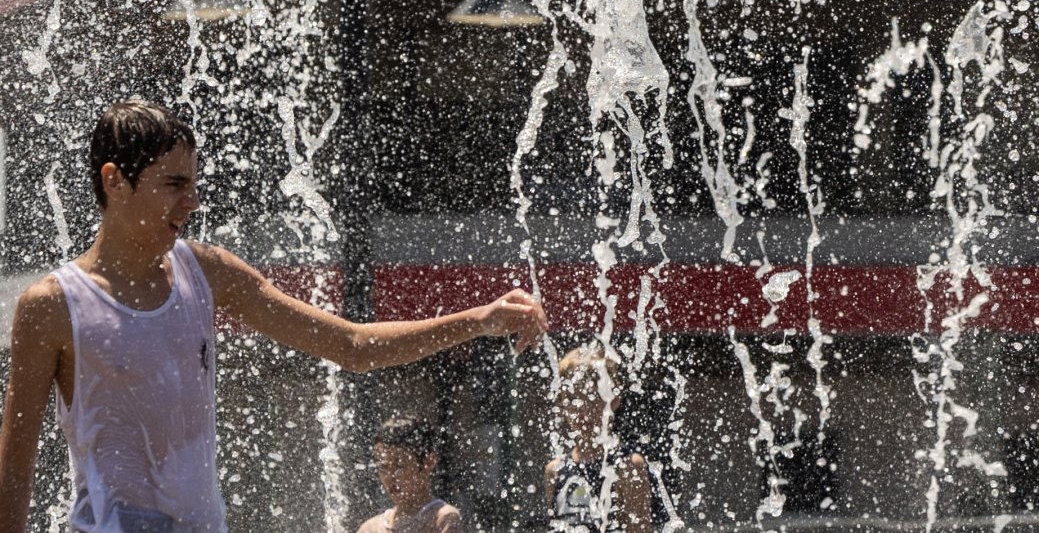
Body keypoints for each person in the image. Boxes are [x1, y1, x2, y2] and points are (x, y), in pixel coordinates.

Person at [0, 100, 546, 533]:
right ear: (115, 180)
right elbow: (15, 464)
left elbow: (351, 346)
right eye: (173, 185)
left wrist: (478, 319)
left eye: (193, 184)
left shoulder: (207, 273)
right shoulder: (52, 306)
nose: (192, 202)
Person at [544, 344, 651, 533]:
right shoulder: (555, 470)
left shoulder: (627, 466)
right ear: (562, 405)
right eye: (572, 399)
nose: (582, 410)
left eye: (592, 397)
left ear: (613, 400)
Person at [357, 416, 461, 533]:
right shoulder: (371, 528)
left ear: (428, 463)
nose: (390, 476)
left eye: (399, 466)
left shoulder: (441, 518)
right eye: (384, 467)